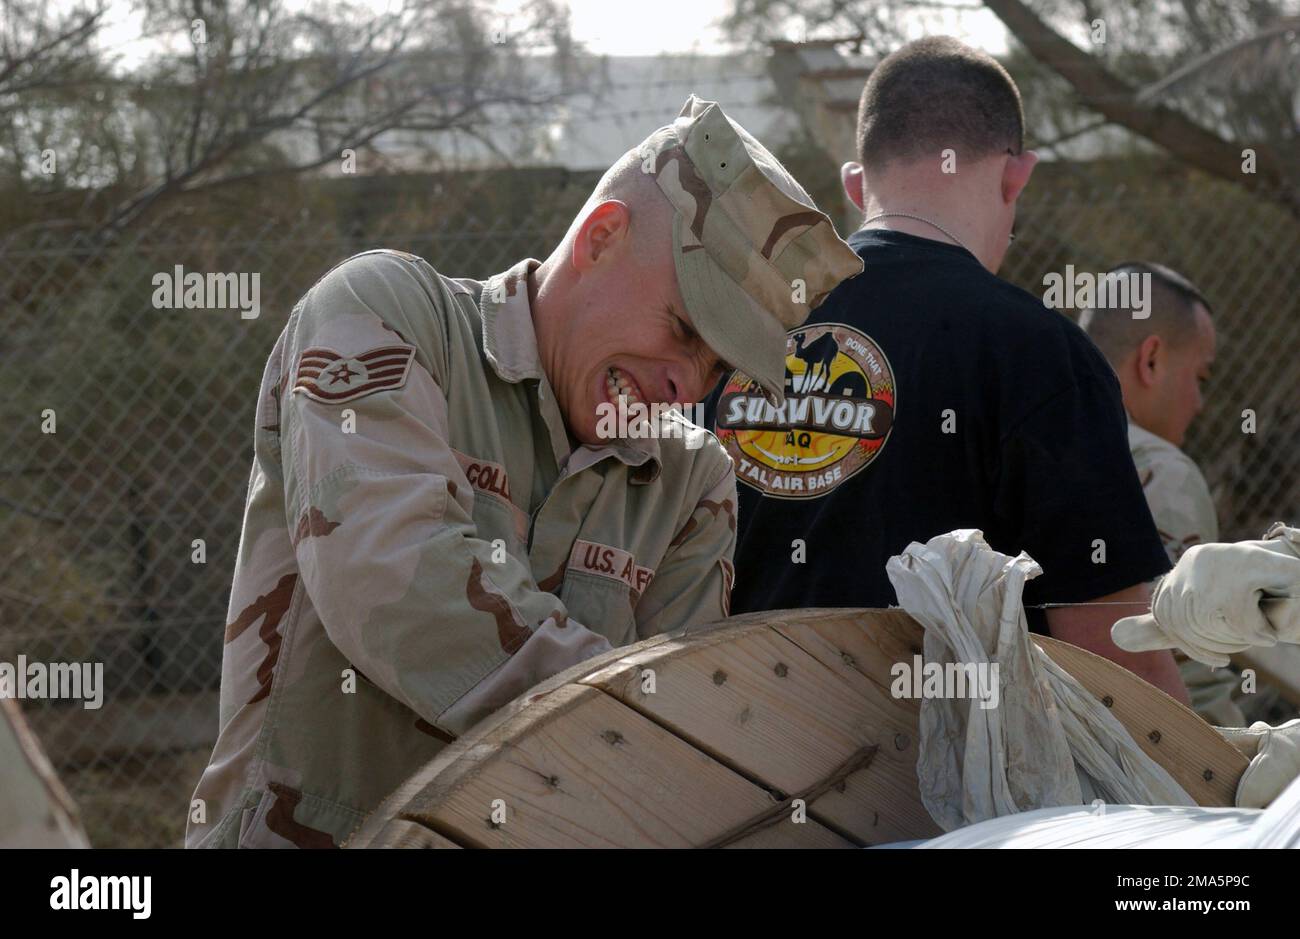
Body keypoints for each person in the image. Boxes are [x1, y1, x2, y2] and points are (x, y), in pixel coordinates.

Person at [186, 95, 863, 848]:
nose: (688, 386)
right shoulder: (388, 313)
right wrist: (635, 709)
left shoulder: (689, 478)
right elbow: (393, 582)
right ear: (602, 237)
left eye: (718, 365)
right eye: (683, 328)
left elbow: (681, 758)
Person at [705, 37, 1188, 701]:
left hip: (712, 759)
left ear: (854, 186)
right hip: (945, 796)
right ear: (1016, 176)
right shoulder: (1040, 354)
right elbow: (1118, 665)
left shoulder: (728, 332)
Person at [1077, 263, 1239, 722]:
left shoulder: (1019, 438)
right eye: (1200, 377)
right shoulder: (1161, 472)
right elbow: (1192, 675)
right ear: (1151, 360)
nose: (1200, 403)